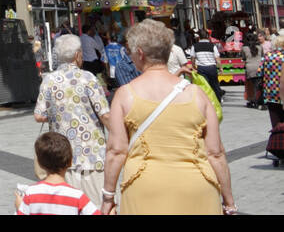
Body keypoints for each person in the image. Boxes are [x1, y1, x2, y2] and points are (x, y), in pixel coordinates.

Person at [100, 18, 235, 215]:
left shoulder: (125, 95)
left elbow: (116, 151)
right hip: (197, 186)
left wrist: (108, 197)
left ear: (140, 53)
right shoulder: (197, 94)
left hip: (144, 187)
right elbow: (215, 153)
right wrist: (229, 200)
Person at [34, 34, 109, 206]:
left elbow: (38, 115)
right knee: (95, 205)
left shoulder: (49, 80)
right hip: (92, 154)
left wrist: (59, 112)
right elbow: (104, 114)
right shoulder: (88, 78)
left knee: (68, 206)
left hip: (62, 157)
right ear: (77, 55)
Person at [16, 132, 102, 215]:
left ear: (39, 163)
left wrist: (19, 207)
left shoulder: (30, 193)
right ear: (70, 161)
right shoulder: (77, 196)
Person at [190, 30, 223, 102]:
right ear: (207, 36)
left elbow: (192, 58)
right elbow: (217, 58)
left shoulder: (195, 46)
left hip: (201, 68)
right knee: (215, 85)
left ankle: (206, 101)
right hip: (212, 68)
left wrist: (193, 66)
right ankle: (218, 100)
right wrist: (220, 68)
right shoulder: (212, 46)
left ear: (199, 37)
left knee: (204, 85)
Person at [260, 33, 284, 128]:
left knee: (275, 124)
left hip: (271, 93)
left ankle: (277, 140)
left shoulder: (267, 56)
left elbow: (259, 72)